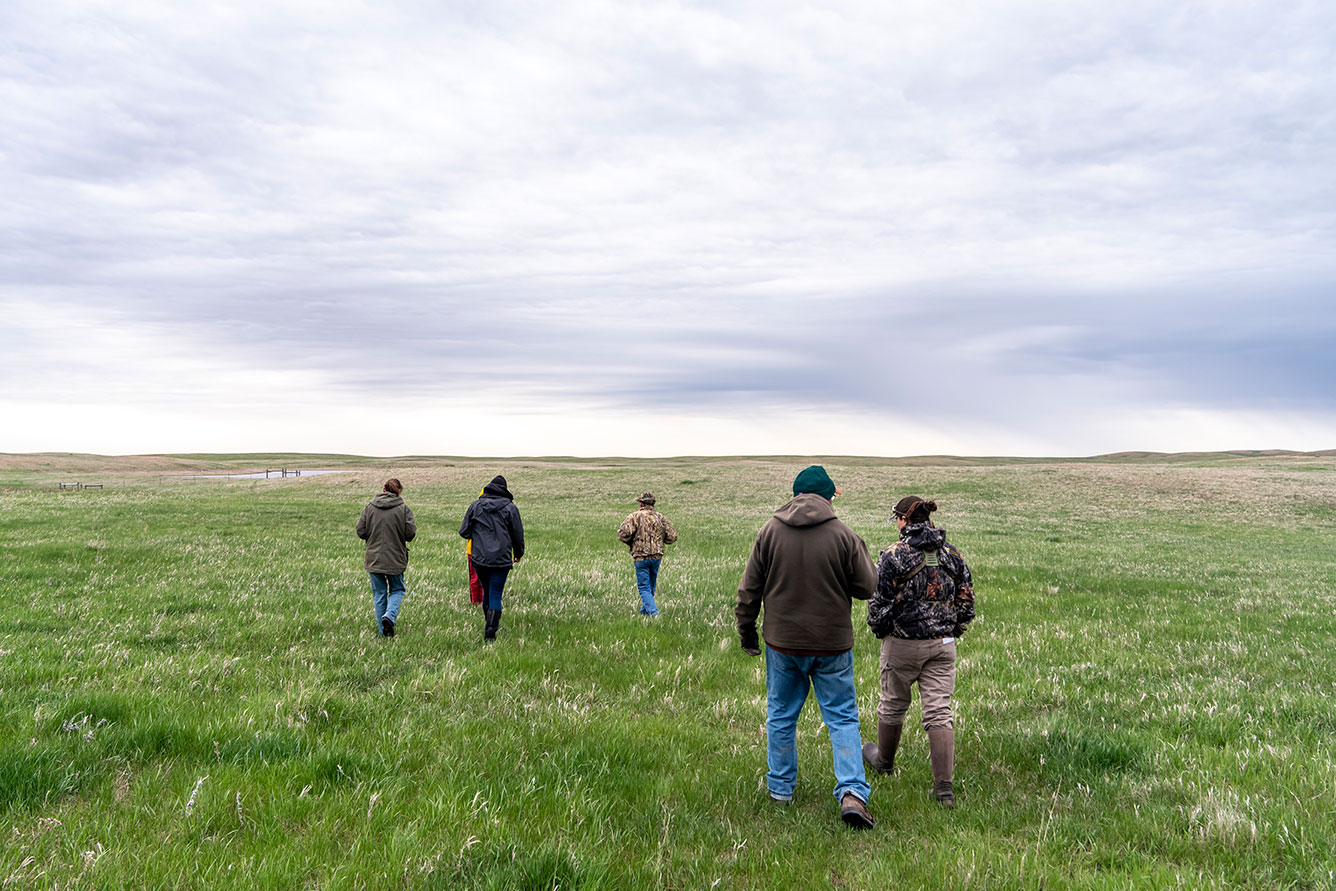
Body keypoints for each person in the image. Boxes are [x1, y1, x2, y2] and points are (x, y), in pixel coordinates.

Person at [735, 465, 878, 829]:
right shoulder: (844, 535)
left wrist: (747, 632)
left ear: (795, 494)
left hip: (782, 643)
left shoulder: (769, 531)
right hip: (832, 644)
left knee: (781, 716)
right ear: (829, 496)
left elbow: (748, 590)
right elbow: (867, 587)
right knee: (842, 717)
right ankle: (852, 793)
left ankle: (781, 790)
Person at [862, 496, 975, 808]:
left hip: (902, 644)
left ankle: (884, 762)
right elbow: (967, 604)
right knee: (939, 711)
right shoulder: (952, 554)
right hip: (943, 645)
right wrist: (952, 630)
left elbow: (878, 605)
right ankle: (944, 789)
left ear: (903, 521)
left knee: (893, 704)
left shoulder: (893, 555)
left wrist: (883, 631)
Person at [458, 475, 525, 641]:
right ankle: (490, 631)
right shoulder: (510, 508)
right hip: (501, 559)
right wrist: (518, 553)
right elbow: (517, 534)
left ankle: (489, 623)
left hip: (479, 558)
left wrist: (478, 535)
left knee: (486, 591)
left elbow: (464, 531)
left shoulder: (475, 506)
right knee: (495, 593)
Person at [355, 478, 417, 637]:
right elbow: (410, 534)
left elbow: (360, 531)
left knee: (379, 594)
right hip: (395, 558)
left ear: (383, 490)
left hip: (373, 558)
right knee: (397, 589)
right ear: (399, 492)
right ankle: (389, 615)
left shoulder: (369, 508)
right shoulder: (404, 510)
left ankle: (383, 633)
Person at [617, 492, 678, 616]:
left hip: (641, 557)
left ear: (641, 504)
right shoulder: (660, 517)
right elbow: (672, 536)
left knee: (644, 587)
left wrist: (632, 543)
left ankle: (654, 614)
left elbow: (623, 534)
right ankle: (644, 614)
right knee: (651, 587)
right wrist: (661, 540)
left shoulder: (634, 516)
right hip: (657, 556)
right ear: (653, 504)